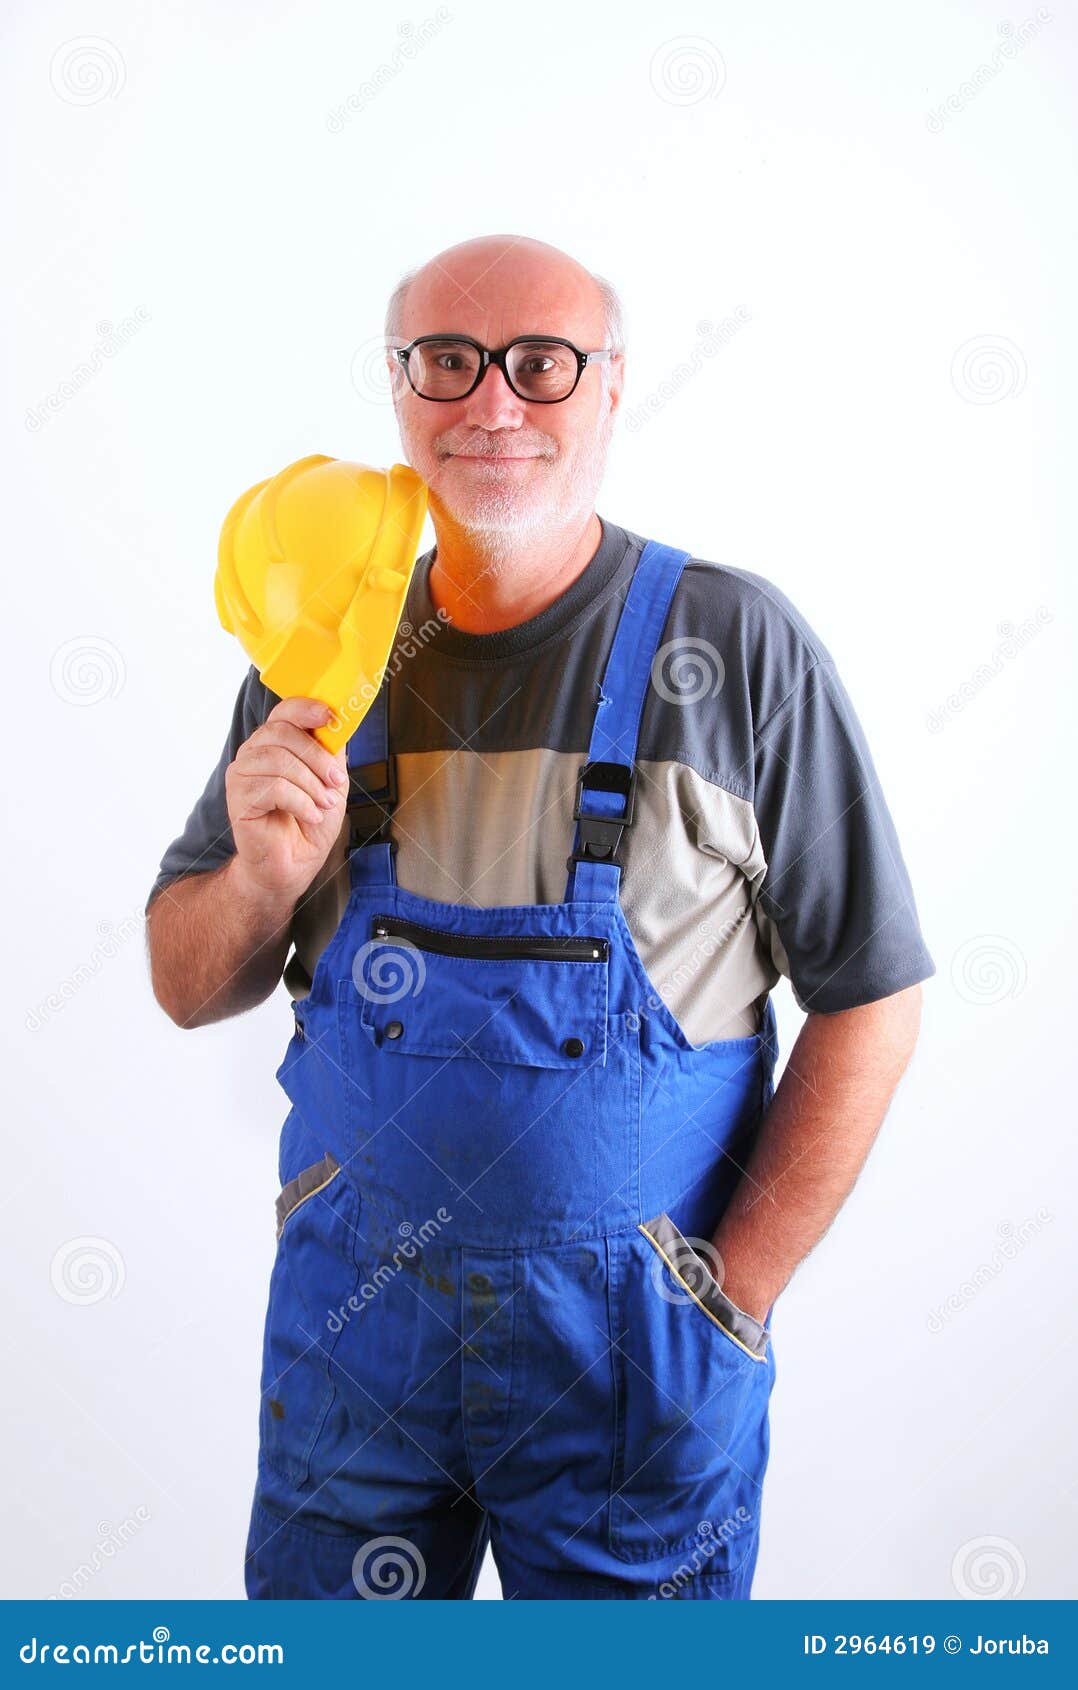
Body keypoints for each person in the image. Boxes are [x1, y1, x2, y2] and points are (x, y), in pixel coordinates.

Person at [145, 234, 935, 1600]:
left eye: (542, 363)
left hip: (633, 1364)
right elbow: (183, 977)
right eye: (446, 363)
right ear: (397, 389)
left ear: (612, 386)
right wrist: (263, 876)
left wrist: (731, 1296)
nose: (492, 403)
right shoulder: (322, 650)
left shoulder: (734, 646)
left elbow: (869, 989)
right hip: (357, 1342)